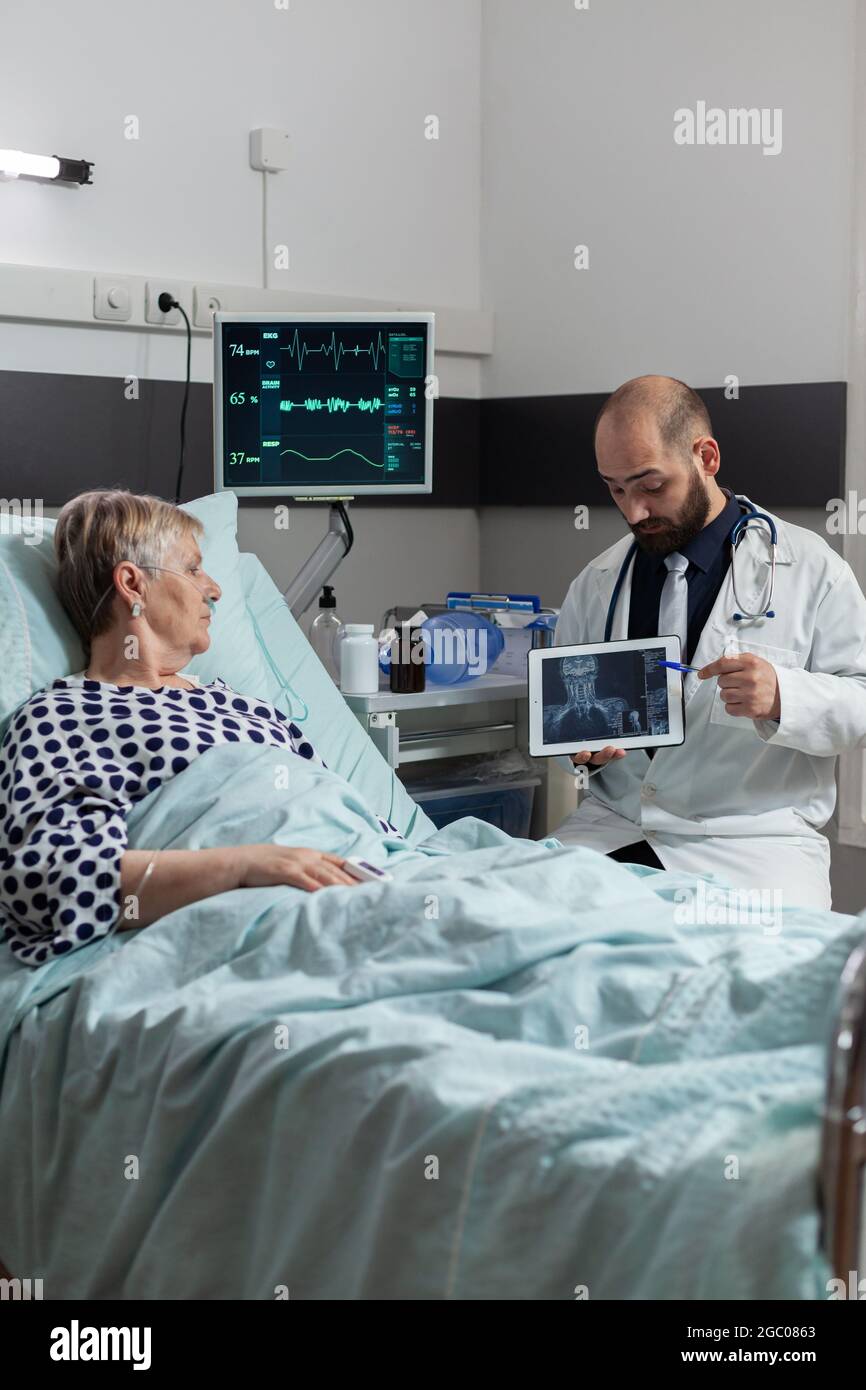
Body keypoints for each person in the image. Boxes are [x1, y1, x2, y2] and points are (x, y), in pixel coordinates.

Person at [0, 490, 410, 967]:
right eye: (193, 568)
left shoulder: (247, 707)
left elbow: (361, 820)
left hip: (381, 874)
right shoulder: (63, 716)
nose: (214, 588)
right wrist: (244, 865)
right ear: (133, 584)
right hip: (276, 914)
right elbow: (47, 880)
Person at [553, 375, 866, 910]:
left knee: (750, 971)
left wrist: (785, 696)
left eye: (651, 486)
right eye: (615, 488)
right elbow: (567, 740)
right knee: (521, 924)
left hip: (754, 845)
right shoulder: (598, 581)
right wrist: (582, 755)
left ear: (706, 457)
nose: (634, 512)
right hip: (615, 827)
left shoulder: (812, 571)